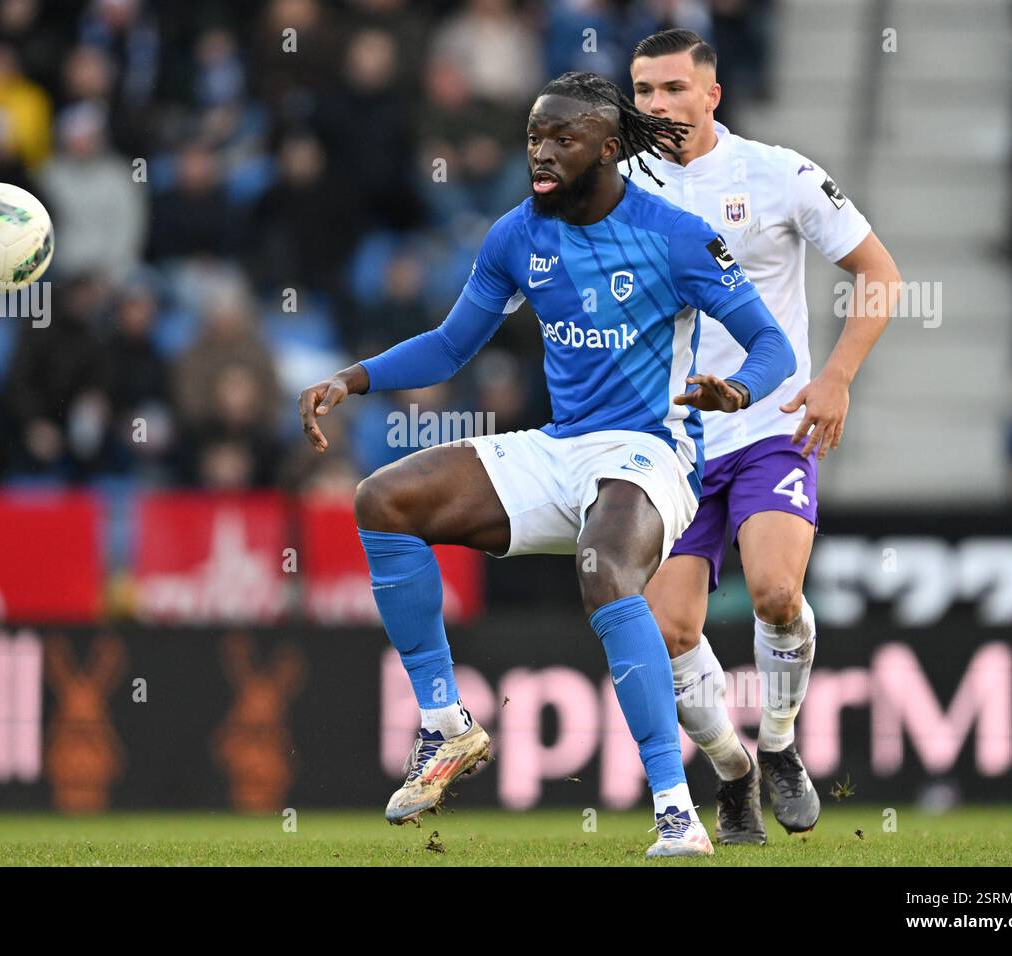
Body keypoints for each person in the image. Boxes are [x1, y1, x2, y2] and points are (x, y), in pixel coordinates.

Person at [298, 71, 796, 858]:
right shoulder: (517, 235)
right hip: (560, 445)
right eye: (536, 136)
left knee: (603, 570)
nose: (542, 151)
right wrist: (350, 378)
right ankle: (444, 725)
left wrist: (737, 389)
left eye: (563, 139)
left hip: (653, 451)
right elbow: (450, 345)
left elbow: (775, 345)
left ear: (608, 149)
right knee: (383, 499)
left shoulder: (673, 236)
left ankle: (674, 812)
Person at [624, 30, 901, 842]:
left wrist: (838, 375)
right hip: (669, 442)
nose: (657, 106)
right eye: (643, 91)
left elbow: (880, 275)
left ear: (712, 95)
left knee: (777, 592)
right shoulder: (618, 188)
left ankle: (778, 746)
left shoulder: (776, 174)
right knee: (669, 631)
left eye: (673, 89)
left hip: (770, 425)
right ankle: (735, 771)